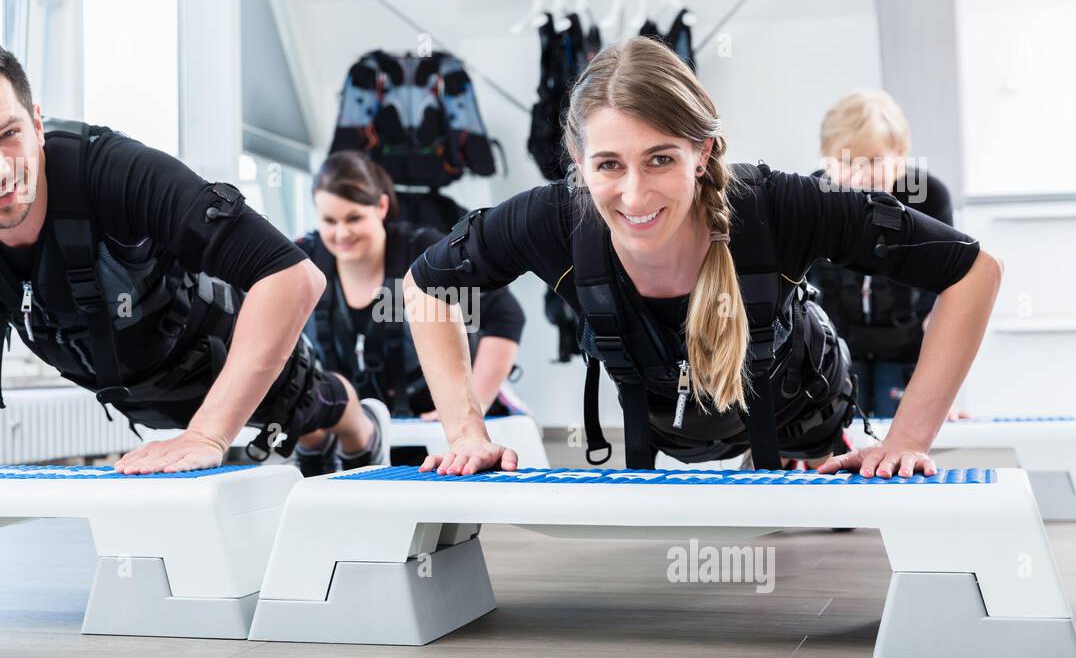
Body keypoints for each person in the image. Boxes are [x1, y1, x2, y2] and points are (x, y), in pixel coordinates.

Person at [0, 30, 389, 476]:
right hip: (119, 379)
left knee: (313, 407)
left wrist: (208, 433)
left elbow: (293, 277)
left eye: (10, 134)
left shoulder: (116, 171)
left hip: (216, 348)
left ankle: (360, 429)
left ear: (37, 122)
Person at [401, 36, 1001, 478]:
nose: (634, 196)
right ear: (578, 160)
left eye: (660, 159)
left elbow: (974, 273)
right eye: (608, 164)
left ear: (703, 152)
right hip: (667, 425)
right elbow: (425, 287)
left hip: (803, 409)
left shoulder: (782, 204)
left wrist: (908, 438)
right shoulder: (549, 218)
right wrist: (464, 430)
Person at [293, 151, 525, 474]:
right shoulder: (306, 259)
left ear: (382, 207)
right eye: (330, 221)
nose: (342, 233)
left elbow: (505, 317)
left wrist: (473, 412)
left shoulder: (425, 251)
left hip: (430, 421)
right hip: (351, 426)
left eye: (354, 218)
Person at [809, 90, 964, 419]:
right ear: (826, 158)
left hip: (907, 352)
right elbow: (795, 296)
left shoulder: (929, 198)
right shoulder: (810, 196)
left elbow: (942, 299)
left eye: (876, 161)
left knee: (901, 446)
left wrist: (940, 390)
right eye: (848, 162)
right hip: (836, 350)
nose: (861, 175)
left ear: (901, 155)